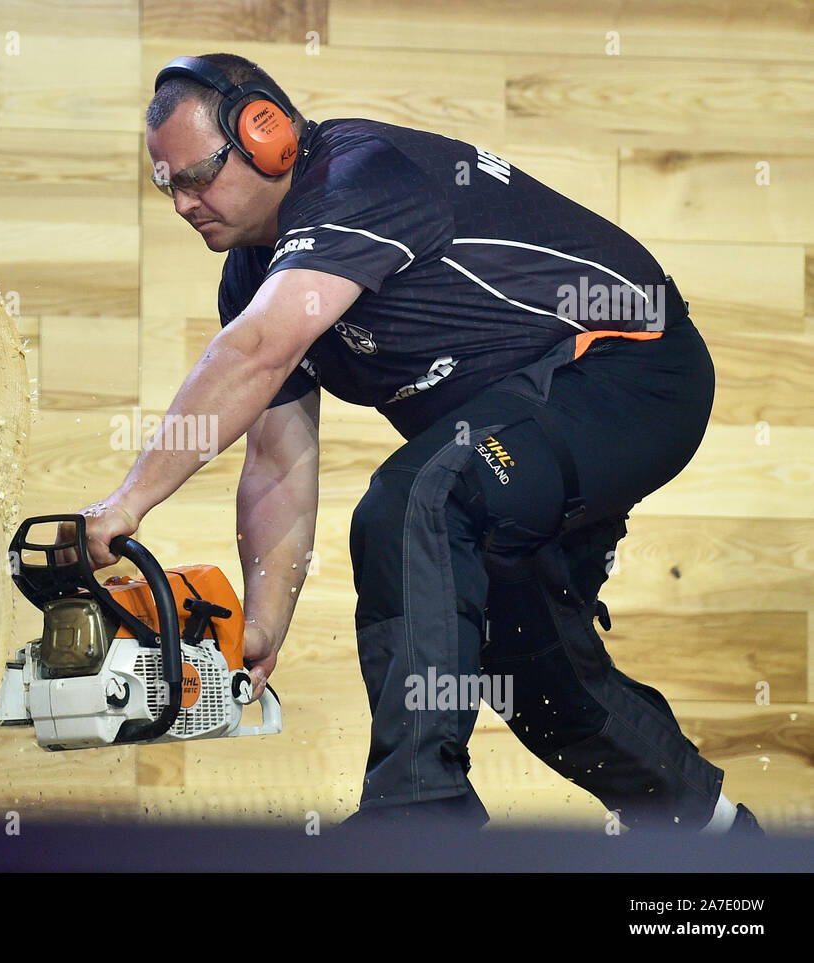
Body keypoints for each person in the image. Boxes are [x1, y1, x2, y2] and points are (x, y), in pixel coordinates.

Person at [64, 52, 761, 834]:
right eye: (167, 187)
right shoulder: (254, 273)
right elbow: (277, 460)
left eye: (197, 176)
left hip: (632, 371)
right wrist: (262, 625)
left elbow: (252, 351)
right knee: (522, 664)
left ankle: (420, 821)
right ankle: (716, 834)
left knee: (414, 499)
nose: (185, 203)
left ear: (267, 134)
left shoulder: (357, 179)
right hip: (525, 433)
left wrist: (126, 504)